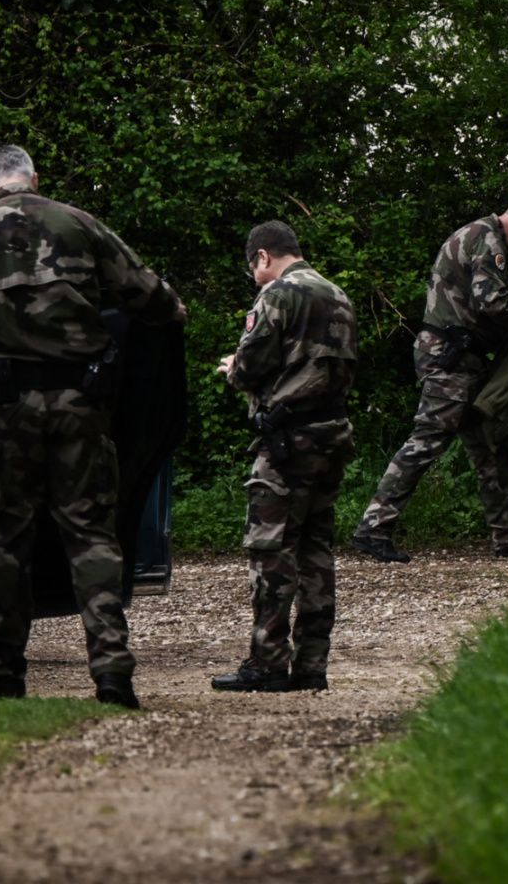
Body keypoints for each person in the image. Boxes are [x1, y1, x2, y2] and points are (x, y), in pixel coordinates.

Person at [0, 144, 187, 710]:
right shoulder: (80, 224)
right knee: (90, 533)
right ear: (34, 179)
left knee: (5, 542)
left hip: (4, 409)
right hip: (80, 406)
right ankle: (112, 673)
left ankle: (1, 678)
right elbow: (151, 298)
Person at [349, 197, 508, 563]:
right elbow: (489, 300)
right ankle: (373, 528)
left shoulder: (477, 233)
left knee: (490, 443)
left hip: (462, 356)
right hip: (450, 357)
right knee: (427, 440)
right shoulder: (488, 239)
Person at [210, 221, 357, 692]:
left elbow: (252, 364)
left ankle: (268, 664)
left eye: (252, 264)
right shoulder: (337, 294)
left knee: (271, 550)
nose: (254, 273)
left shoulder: (278, 294)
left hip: (287, 441)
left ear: (263, 256)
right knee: (316, 550)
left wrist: (234, 369)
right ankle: (312, 666)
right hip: (331, 435)